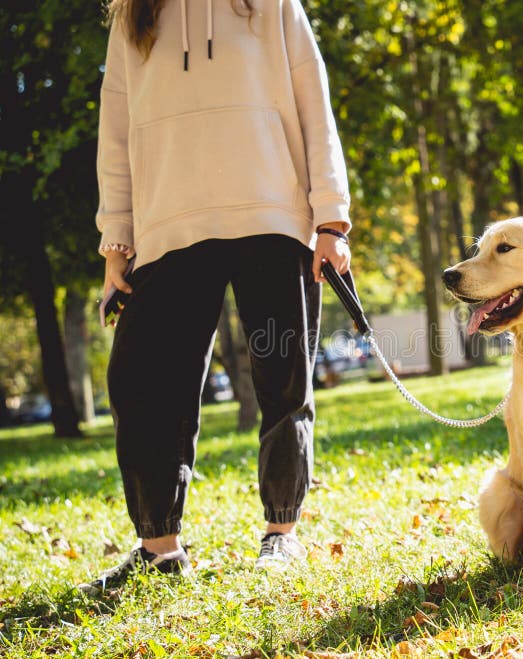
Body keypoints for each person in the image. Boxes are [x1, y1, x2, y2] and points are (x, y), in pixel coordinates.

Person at [80, 0, 351, 594]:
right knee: (143, 382)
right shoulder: (132, 15)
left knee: (284, 380)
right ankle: (159, 548)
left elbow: (314, 106)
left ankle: (282, 532)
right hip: (167, 224)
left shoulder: (275, 5)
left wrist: (330, 222)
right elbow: (116, 130)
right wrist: (115, 244)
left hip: (275, 215)